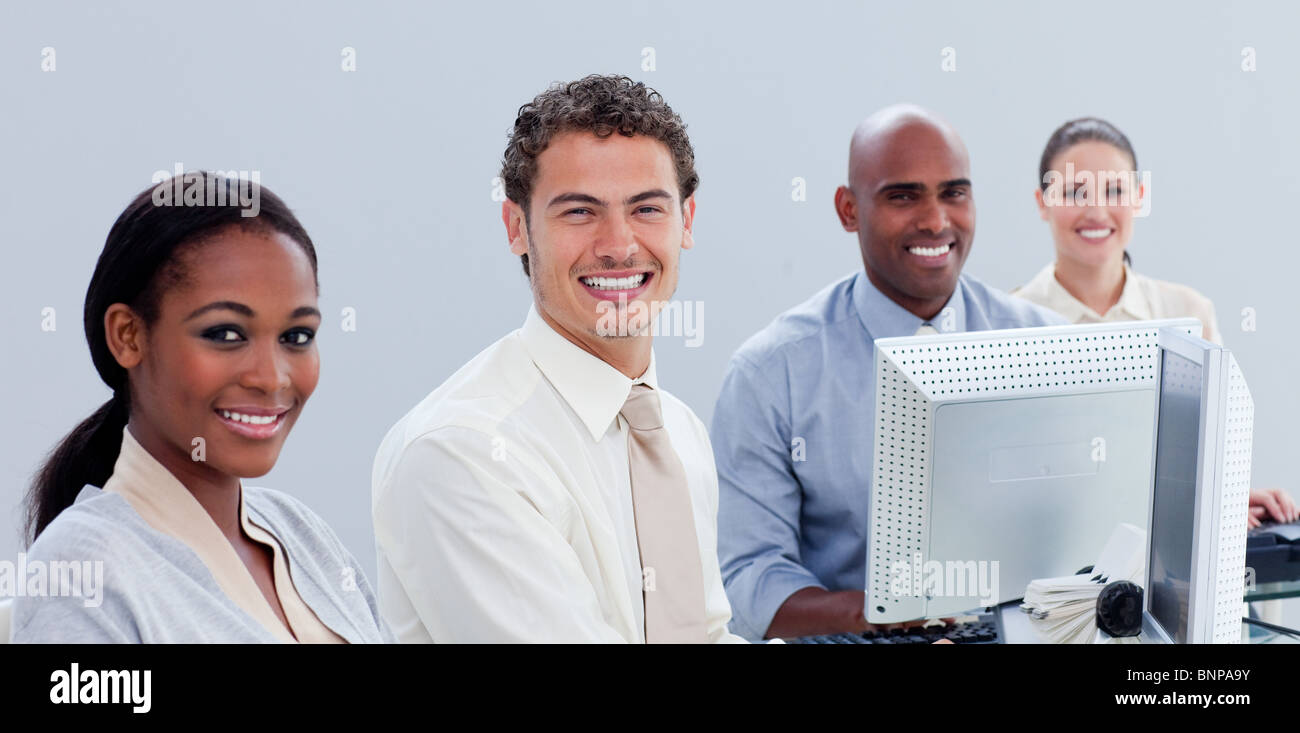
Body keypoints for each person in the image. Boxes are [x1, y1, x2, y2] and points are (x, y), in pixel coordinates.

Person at [372, 75, 744, 643]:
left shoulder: (680, 434)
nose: (619, 245)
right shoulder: (462, 451)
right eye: (579, 212)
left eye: (646, 208)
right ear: (517, 227)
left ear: (686, 221)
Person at [711, 105, 1069, 641]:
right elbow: (747, 578)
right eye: (903, 196)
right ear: (849, 209)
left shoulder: (1052, 346)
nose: (935, 221)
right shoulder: (771, 374)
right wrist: (873, 612)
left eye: (954, 193)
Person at [12, 175, 392, 643]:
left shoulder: (305, 536)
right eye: (225, 334)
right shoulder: (80, 574)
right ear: (128, 336)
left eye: (296, 337)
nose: (270, 377)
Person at [1013, 117, 1298, 528]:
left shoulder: (1188, 311)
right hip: (1047, 554)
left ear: (1139, 198)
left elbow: (1209, 455)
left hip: (1167, 548)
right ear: (1042, 202)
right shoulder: (1008, 321)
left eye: (1114, 190)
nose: (1096, 210)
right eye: (1075, 192)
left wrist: (1229, 497)